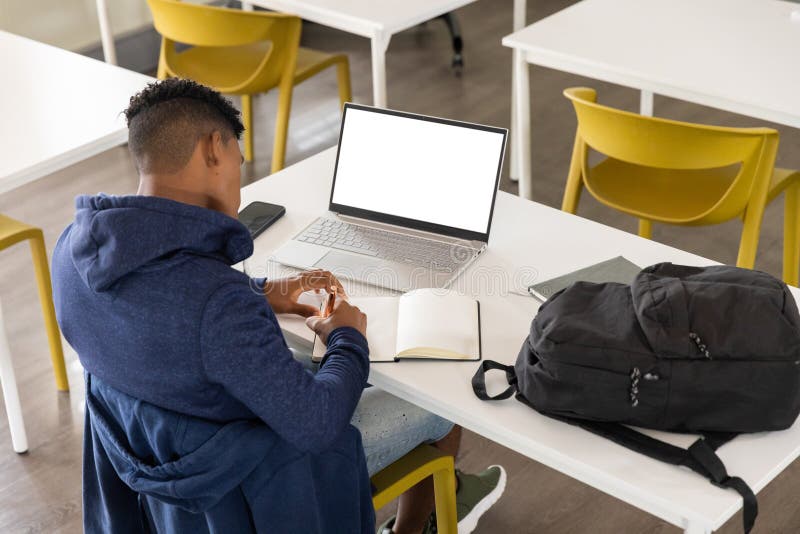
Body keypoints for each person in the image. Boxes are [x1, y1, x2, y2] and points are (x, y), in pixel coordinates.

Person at [52, 78, 505, 534]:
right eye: (238, 161)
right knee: (441, 406)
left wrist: (266, 292)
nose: (240, 185)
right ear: (213, 149)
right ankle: (414, 526)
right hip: (257, 480)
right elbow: (319, 424)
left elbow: (158, 313)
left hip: (161, 463)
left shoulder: (72, 253)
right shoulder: (218, 305)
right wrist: (348, 336)